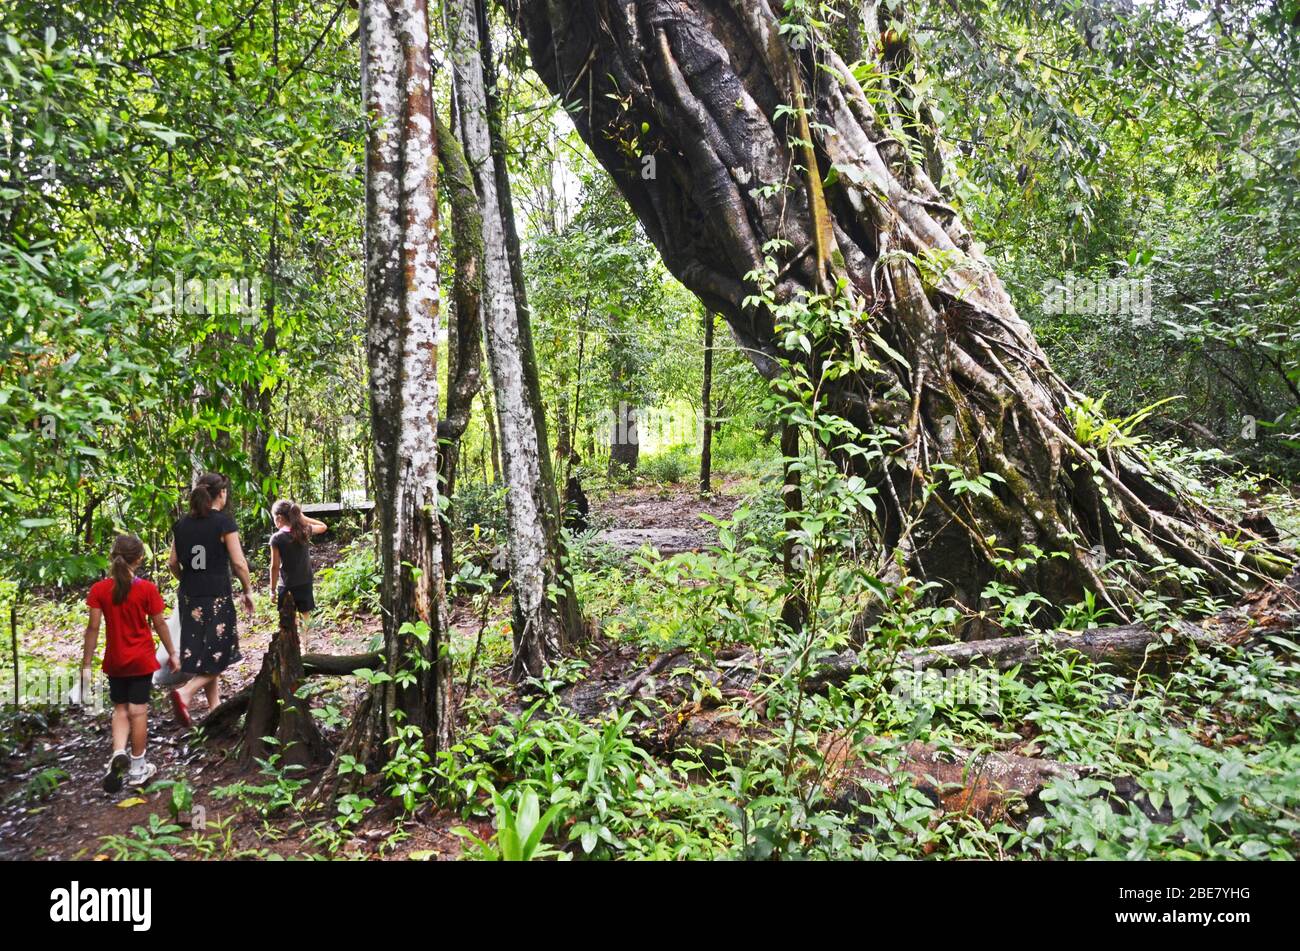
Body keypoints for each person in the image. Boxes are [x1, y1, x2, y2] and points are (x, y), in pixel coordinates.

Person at [80, 534, 180, 792]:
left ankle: (117, 752)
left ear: (113, 556)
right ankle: (137, 767)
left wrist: (86, 664)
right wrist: (172, 652)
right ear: (139, 559)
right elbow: (159, 624)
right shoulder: (146, 589)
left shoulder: (100, 589)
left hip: (115, 661)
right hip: (140, 660)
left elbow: (92, 628)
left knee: (121, 709)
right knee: (139, 711)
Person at [167, 472, 254, 725]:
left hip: (189, 596)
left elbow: (173, 563)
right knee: (221, 651)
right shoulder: (223, 523)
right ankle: (185, 693)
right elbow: (238, 562)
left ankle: (214, 708)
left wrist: (188, 578)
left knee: (207, 652)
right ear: (221, 494)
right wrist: (247, 591)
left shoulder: (181, 524)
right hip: (216, 594)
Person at [268, 499, 327, 648]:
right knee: (305, 615)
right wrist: (302, 517)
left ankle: (292, 647)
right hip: (305, 582)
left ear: (279, 518)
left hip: (286, 585)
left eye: (274, 518)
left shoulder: (277, 538)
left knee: (288, 617)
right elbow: (323, 526)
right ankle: (305, 646)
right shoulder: (304, 530)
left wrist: (272, 590)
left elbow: (274, 567)